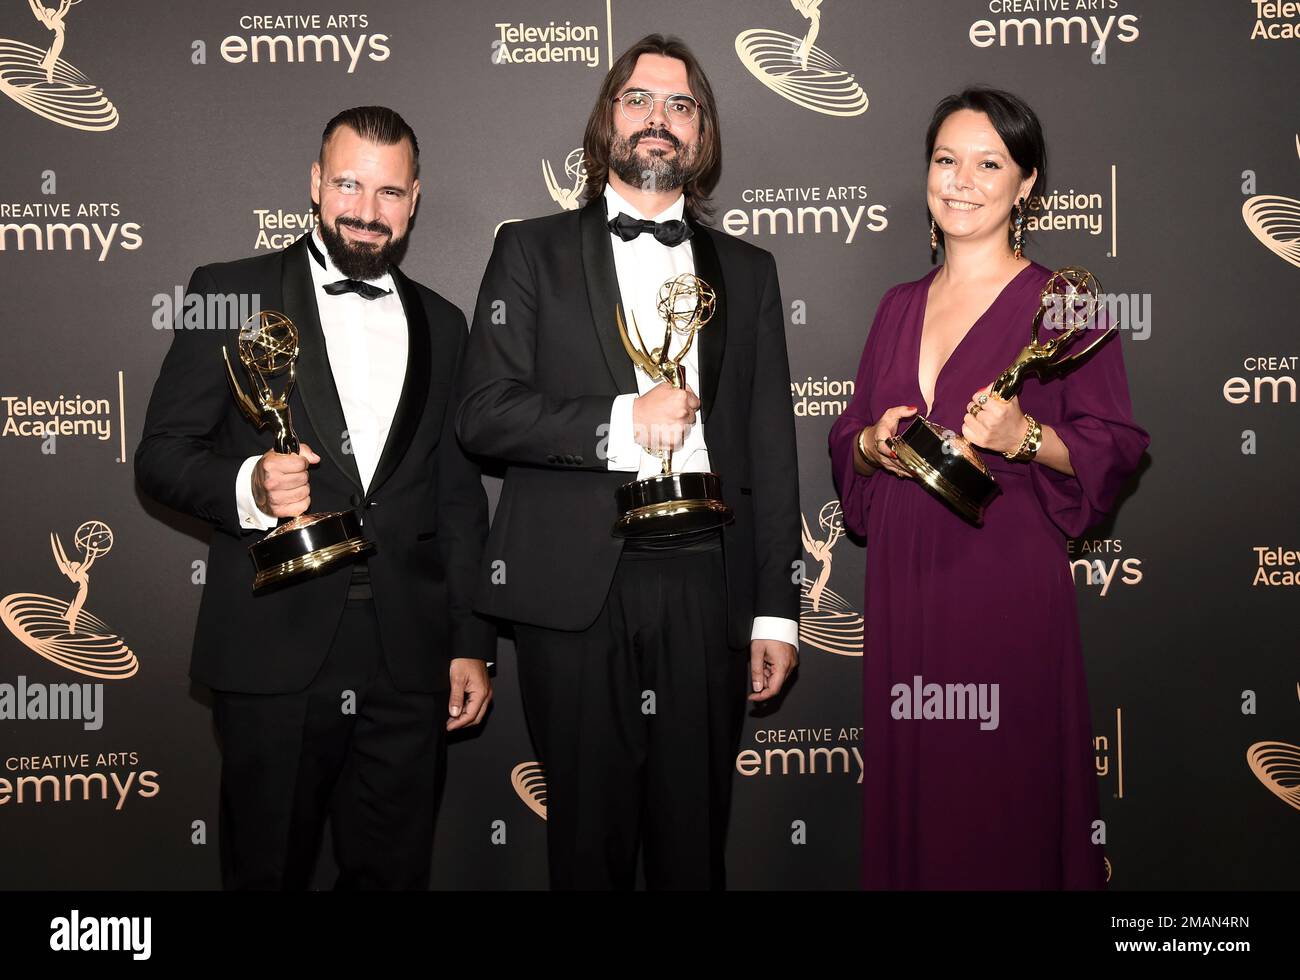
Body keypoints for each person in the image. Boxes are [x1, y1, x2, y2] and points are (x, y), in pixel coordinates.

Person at [455, 35, 801, 890]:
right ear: (606, 119)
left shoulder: (751, 274)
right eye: (639, 100)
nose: (659, 120)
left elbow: (768, 446)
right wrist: (620, 420)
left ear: (703, 134)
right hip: (577, 593)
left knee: (693, 850)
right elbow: (482, 412)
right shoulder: (527, 250)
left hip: (705, 585)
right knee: (587, 849)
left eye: (681, 106)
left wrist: (776, 612)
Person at [136, 106, 495, 890]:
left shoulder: (444, 322)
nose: (366, 212)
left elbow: (458, 500)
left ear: (415, 200)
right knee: (268, 871)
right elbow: (159, 456)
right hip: (275, 644)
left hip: (409, 656)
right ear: (313, 184)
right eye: (348, 185)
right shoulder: (226, 292)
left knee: (393, 874)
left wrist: (470, 638)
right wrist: (250, 486)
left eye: (389, 193)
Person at [829, 88, 1148, 889]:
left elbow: (1115, 447)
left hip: (1001, 585)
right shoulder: (896, 306)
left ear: (1026, 183)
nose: (961, 181)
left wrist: (1028, 439)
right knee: (919, 793)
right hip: (904, 584)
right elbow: (850, 443)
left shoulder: (1063, 303)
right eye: (946, 160)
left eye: (988, 163)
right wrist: (869, 444)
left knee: (999, 794)